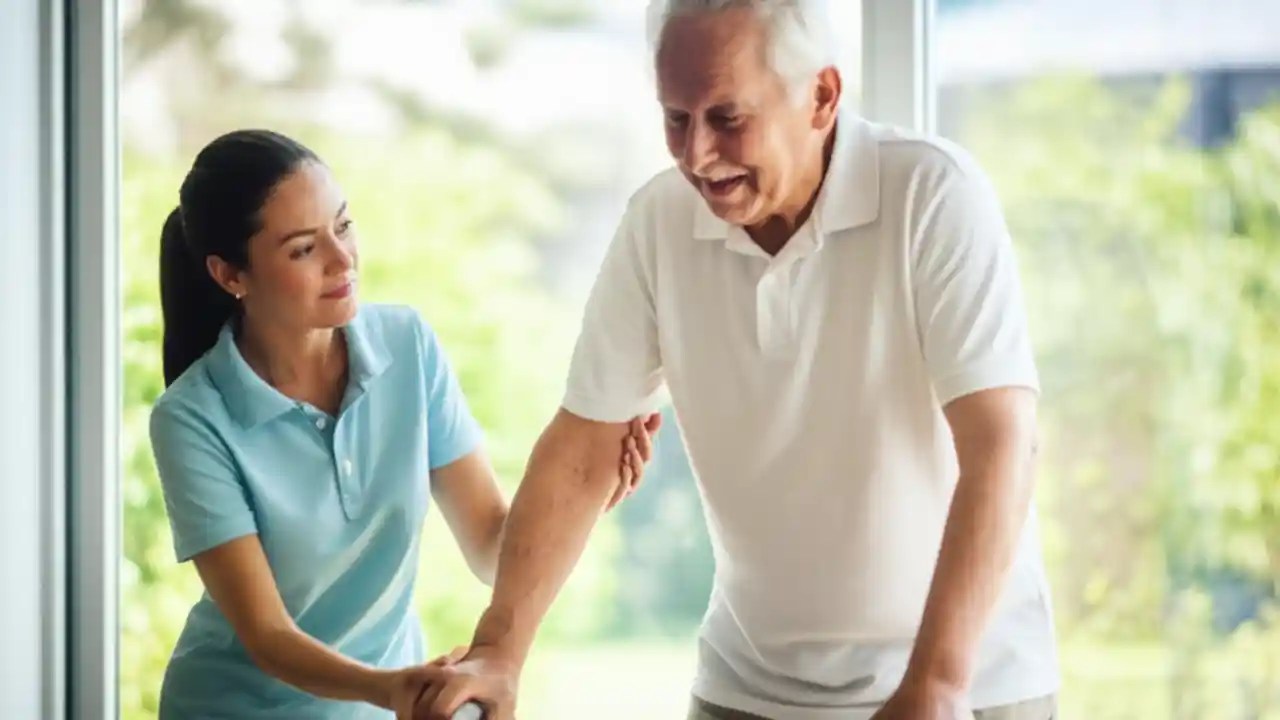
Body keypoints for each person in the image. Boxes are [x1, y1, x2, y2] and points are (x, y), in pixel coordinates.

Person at [413, 1, 1059, 719]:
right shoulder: (658, 222)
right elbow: (584, 445)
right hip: (749, 687)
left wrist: (938, 684)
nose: (697, 156)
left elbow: (1003, 444)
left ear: (821, 96)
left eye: (727, 118)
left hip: (965, 681)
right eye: (676, 119)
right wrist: (499, 651)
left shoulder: (932, 195)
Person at [148, 128, 660, 720]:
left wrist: (589, 493)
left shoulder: (407, 346)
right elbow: (268, 637)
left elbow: (493, 548)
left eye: (342, 226)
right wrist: (390, 688)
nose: (342, 261)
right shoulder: (191, 418)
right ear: (230, 275)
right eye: (303, 249)